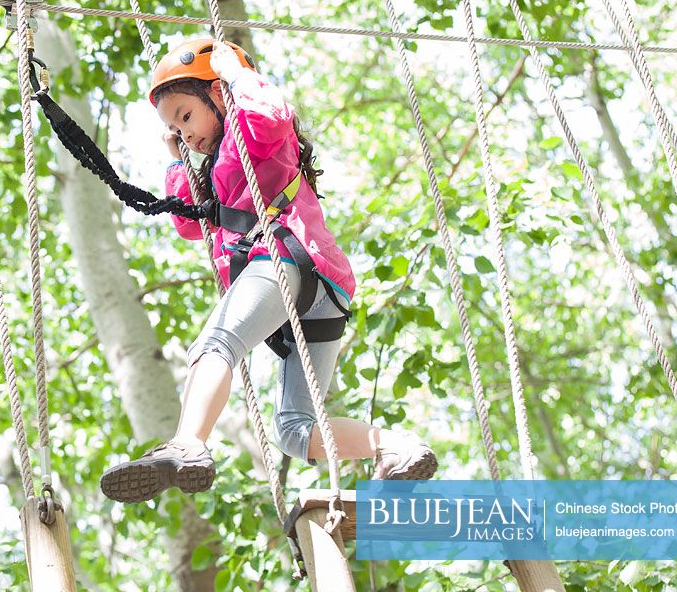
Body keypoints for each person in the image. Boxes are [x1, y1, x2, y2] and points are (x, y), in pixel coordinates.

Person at [99, 38, 437, 503]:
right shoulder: (218, 163)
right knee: (296, 431)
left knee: (216, 343)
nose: (185, 132)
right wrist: (179, 160)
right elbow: (189, 223)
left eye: (185, 116)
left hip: (284, 258)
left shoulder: (248, 126)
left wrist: (236, 74)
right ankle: (396, 449)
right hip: (319, 288)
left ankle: (188, 444)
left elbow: (267, 115)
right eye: (175, 127)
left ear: (216, 96)